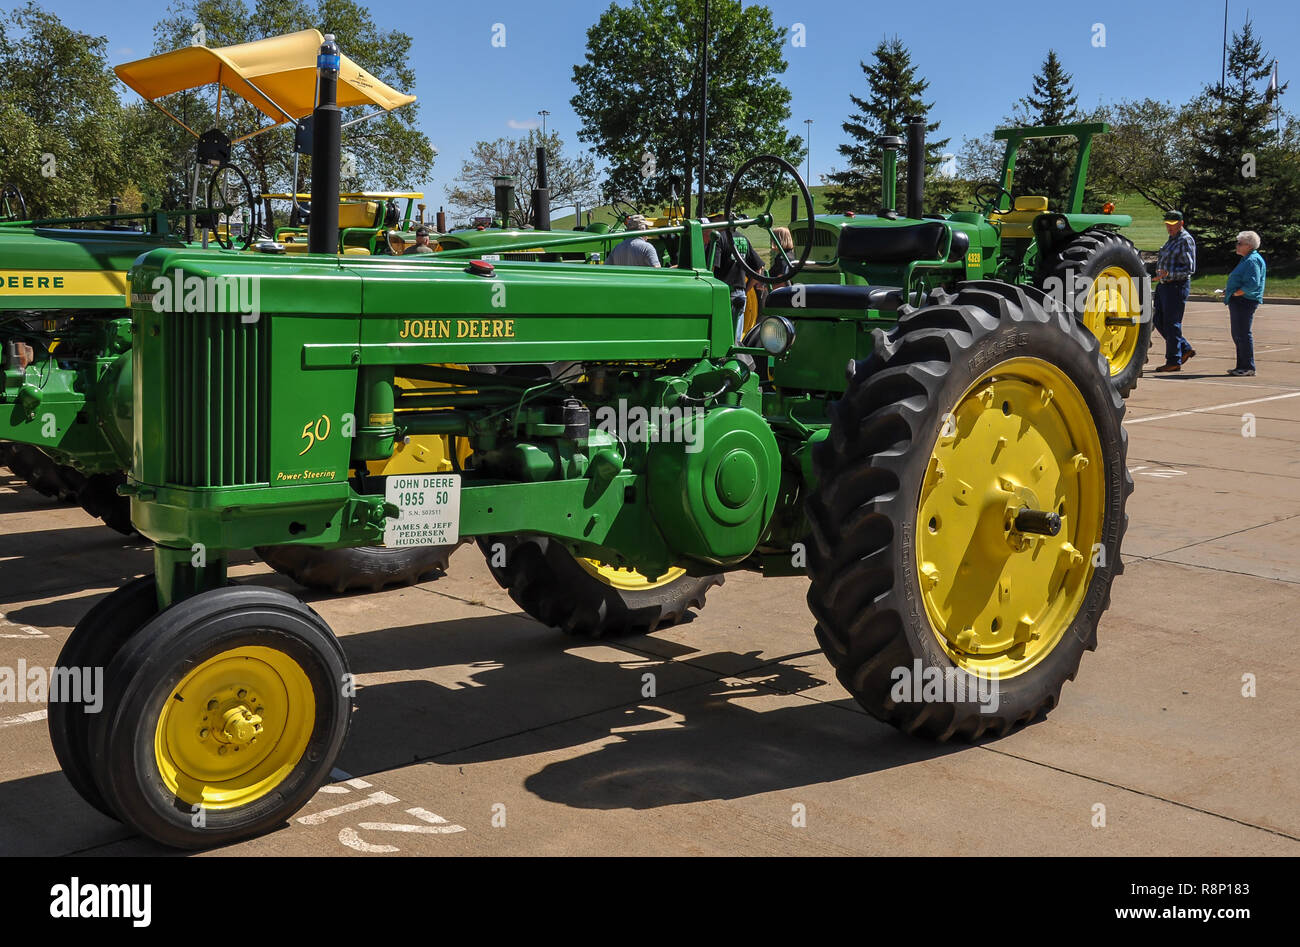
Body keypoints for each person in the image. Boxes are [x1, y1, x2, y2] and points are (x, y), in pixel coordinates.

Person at [701, 217, 763, 342]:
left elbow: (711, 269)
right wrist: (746, 290)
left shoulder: (718, 239)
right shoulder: (743, 239)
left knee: (720, 340)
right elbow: (759, 269)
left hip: (722, 295)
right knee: (736, 340)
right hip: (740, 295)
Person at [1153, 210, 1197, 372]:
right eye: (1167, 224)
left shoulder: (1185, 240)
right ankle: (1184, 348)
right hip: (1164, 285)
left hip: (1176, 286)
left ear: (1181, 224)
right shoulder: (1172, 239)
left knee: (1172, 324)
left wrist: (1169, 274)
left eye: (1172, 225)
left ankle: (1173, 360)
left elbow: (1189, 269)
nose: (1169, 228)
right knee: (1158, 320)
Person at [1222, 230, 1267, 377]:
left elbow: (1253, 284)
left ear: (1249, 245)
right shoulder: (1246, 259)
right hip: (1239, 300)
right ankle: (1241, 366)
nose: (1237, 245)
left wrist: (1237, 292)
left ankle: (1248, 366)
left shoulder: (1252, 260)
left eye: (1240, 243)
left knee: (1242, 333)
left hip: (1245, 301)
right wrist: (1229, 290)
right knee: (1238, 334)